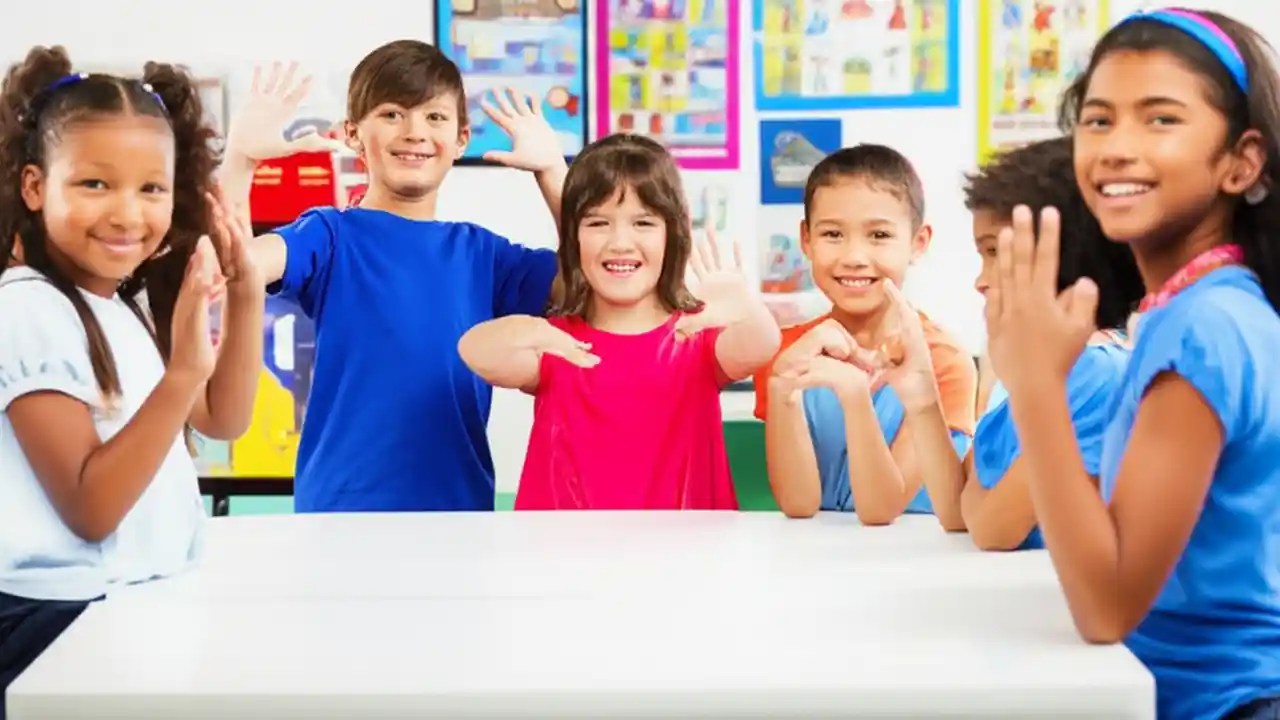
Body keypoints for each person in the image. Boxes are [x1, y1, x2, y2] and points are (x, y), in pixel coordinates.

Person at [986, 9, 1280, 719]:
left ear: (1240, 162)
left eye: (1161, 120)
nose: (1117, 148)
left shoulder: (1206, 326)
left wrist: (1035, 385)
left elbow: (1106, 605)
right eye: (1098, 120)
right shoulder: (1191, 308)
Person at [0, 47, 261, 714]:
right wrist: (182, 374)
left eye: (151, 189)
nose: (127, 214)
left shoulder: (113, 305)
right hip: (50, 628)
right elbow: (91, 508)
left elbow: (223, 419)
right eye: (95, 184)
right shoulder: (27, 309)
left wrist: (245, 293)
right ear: (34, 187)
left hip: (118, 610)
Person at [218, 43, 568, 512]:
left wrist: (554, 173)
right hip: (339, 514)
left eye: (434, 117)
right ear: (352, 133)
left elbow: (584, 283)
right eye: (391, 114)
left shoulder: (485, 255)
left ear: (461, 139)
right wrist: (239, 161)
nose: (414, 132)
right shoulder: (329, 235)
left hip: (457, 516)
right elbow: (236, 265)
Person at [458, 133, 780, 509]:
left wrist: (746, 307)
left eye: (643, 223)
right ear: (574, 240)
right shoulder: (559, 344)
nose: (620, 242)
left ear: (672, 236)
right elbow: (474, 351)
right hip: (562, 545)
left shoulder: (695, 337)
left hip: (687, 545)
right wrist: (524, 328)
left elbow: (763, 344)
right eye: (598, 223)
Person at [754, 144, 977, 525]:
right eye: (833, 234)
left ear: (918, 242)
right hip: (809, 552)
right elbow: (798, 503)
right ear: (806, 239)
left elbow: (880, 510)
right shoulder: (787, 352)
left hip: (914, 552)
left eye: (879, 235)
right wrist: (782, 389)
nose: (854, 257)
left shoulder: (943, 360)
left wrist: (855, 395)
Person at [955, 136, 1141, 550]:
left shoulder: (1098, 373)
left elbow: (991, 528)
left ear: (1062, 255)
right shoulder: (1034, 372)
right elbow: (963, 502)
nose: (980, 281)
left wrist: (977, 504)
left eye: (994, 252)